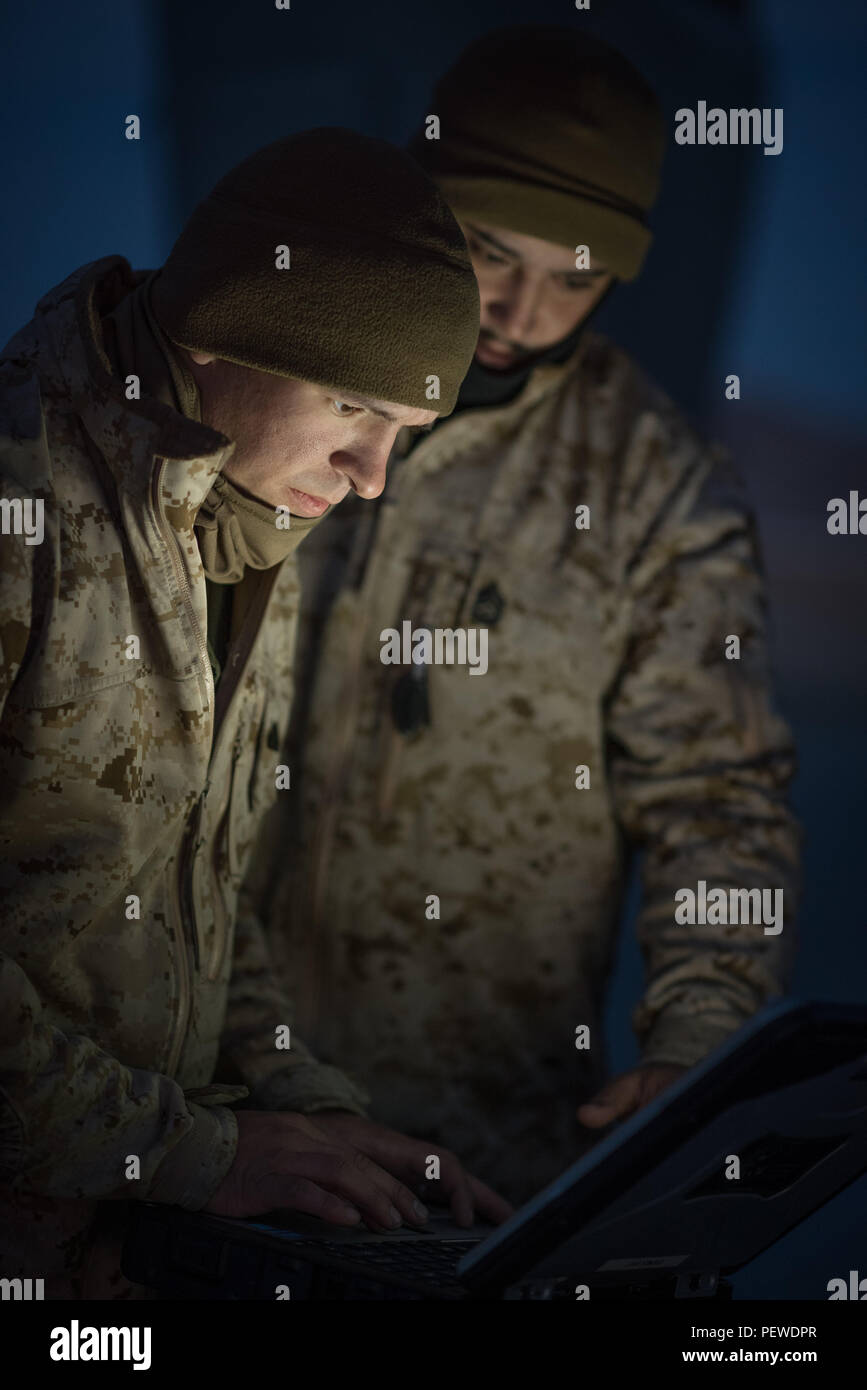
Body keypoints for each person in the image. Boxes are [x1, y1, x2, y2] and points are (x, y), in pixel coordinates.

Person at [258, 31, 803, 1207]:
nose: (521, 308)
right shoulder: (265, 379)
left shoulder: (657, 487)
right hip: (210, 1134)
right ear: (419, 198)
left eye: (577, 276)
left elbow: (719, 799)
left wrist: (697, 1045)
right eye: (489, 251)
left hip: (478, 1168)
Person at [0, 126, 512, 1300]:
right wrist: (201, 1154)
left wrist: (306, 1112)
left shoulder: (234, 525)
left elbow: (187, 902)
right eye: (352, 406)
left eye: (408, 435)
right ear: (229, 327)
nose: (373, 475)